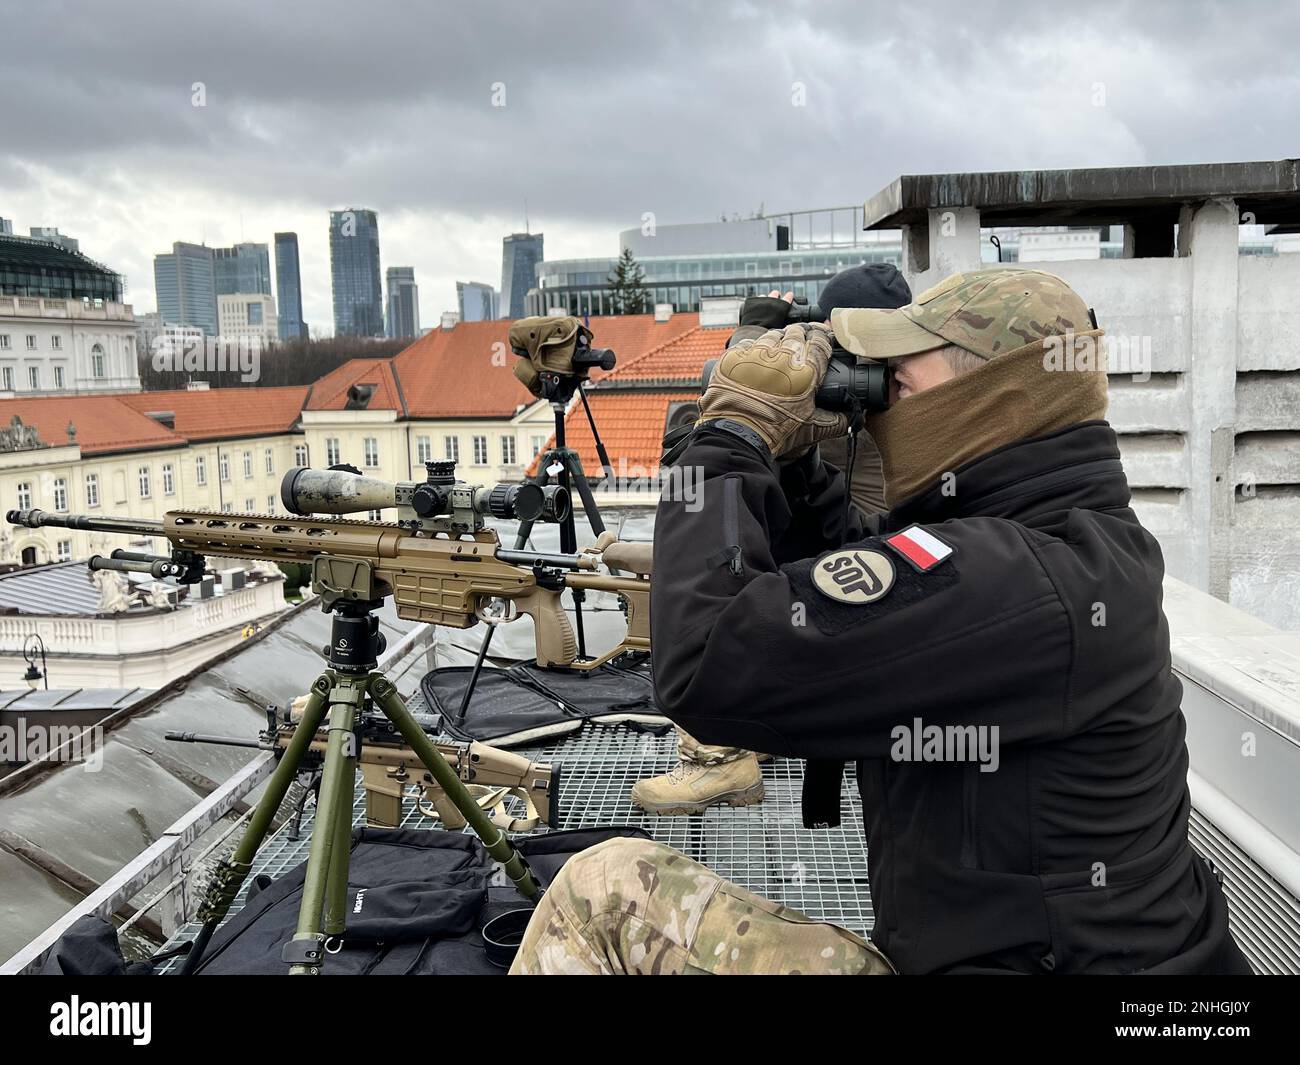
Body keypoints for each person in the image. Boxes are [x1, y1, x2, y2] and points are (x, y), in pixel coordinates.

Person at [511, 267, 1251, 975]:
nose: (885, 393)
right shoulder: (1066, 538)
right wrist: (794, 463)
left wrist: (729, 439)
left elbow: (704, 664)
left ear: (990, 396)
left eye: (900, 378)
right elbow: (861, 582)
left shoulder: (1020, 579)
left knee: (602, 893)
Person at [629, 263, 910, 817]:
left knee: (719, 575)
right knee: (728, 545)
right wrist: (756, 348)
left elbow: (719, 444)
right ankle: (736, 737)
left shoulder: (879, 399)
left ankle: (719, 753)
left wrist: (753, 342)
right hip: (822, 535)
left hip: (853, 554)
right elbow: (713, 441)